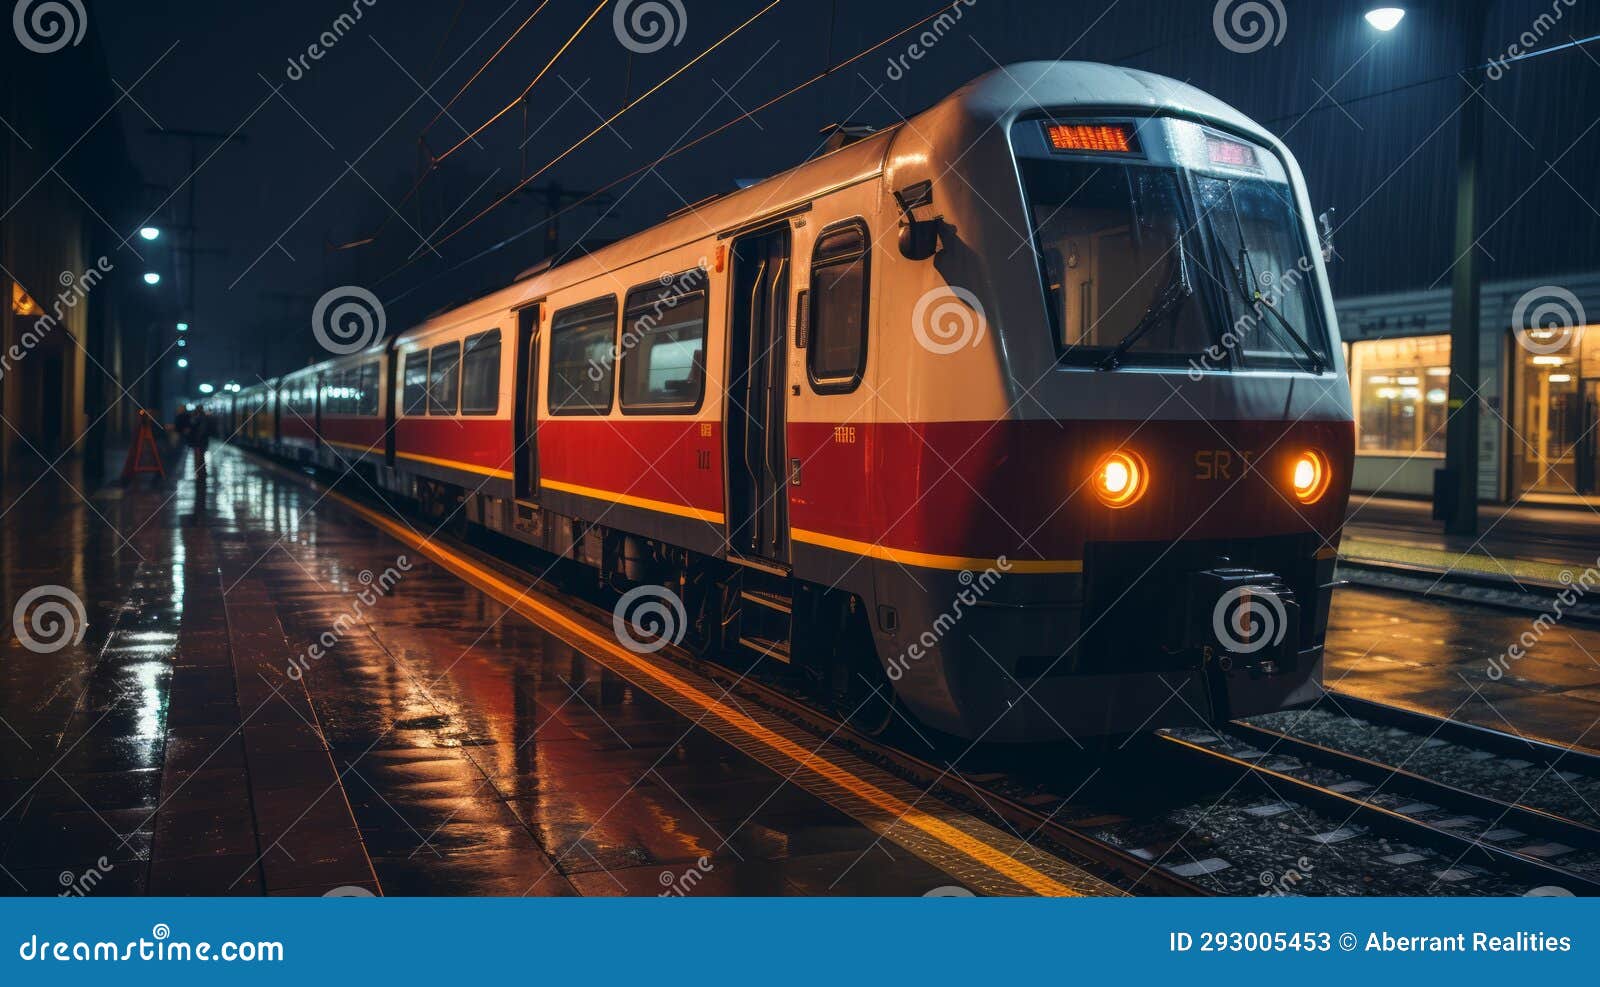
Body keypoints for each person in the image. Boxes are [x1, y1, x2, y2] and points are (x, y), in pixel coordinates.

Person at [186, 405, 213, 479]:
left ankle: (199, 472)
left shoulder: (197, 418)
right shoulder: (205, 417)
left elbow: (194, 426)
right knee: (201, 456)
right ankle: (202, 471)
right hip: (203, 440)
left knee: (198, 457)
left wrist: (197, 438)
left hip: (198, 441)